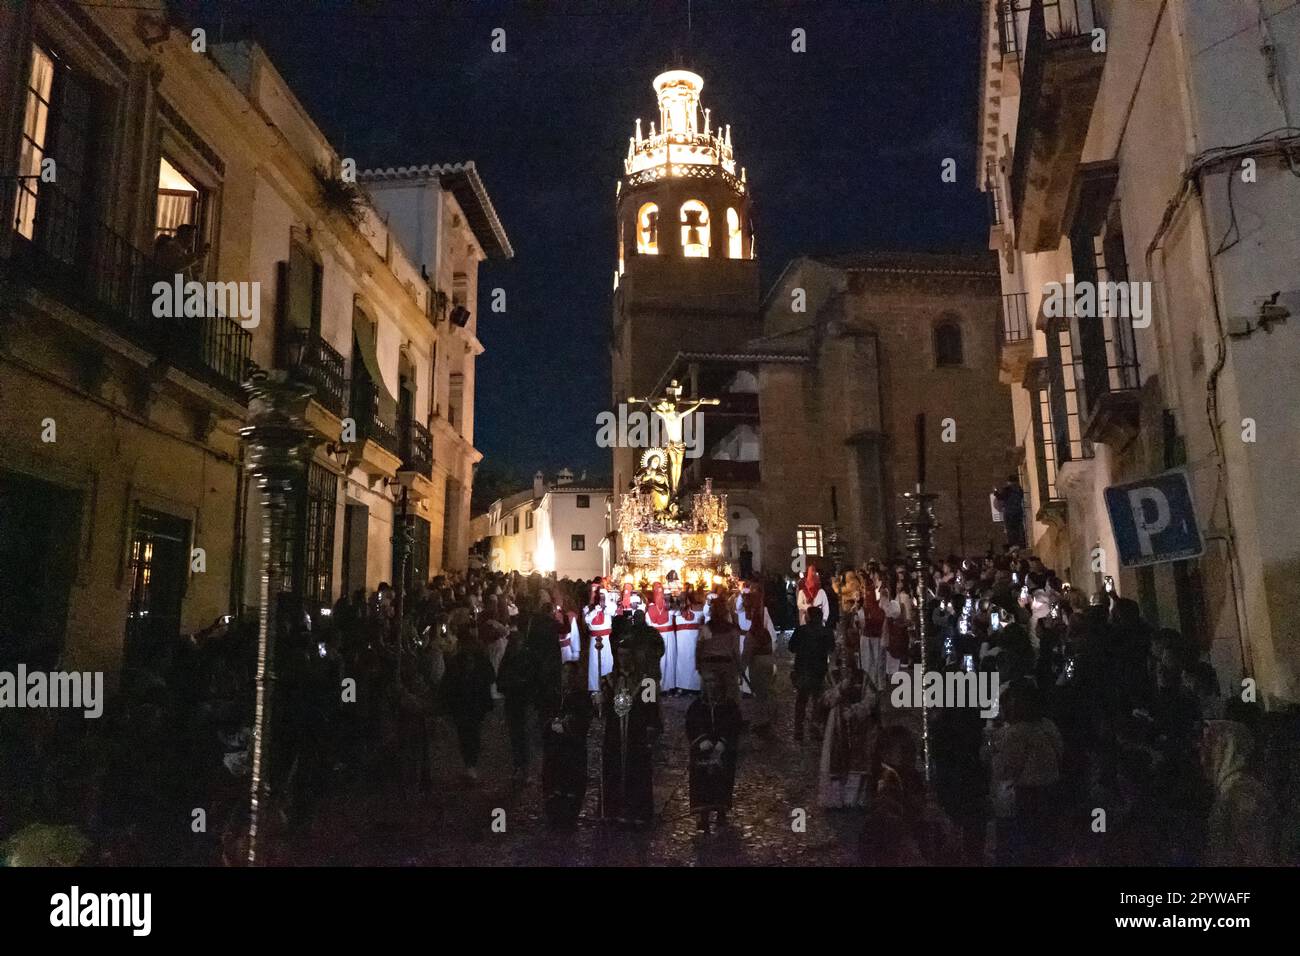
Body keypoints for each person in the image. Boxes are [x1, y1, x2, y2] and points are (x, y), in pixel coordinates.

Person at [989, 681, 1063, 865]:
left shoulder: (1017, 732)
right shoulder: (1048, 725)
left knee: (1023, 848)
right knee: (1045, 846)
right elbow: (1060, 752)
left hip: (1028, 797)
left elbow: (1005, 770)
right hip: (1051, 790)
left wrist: (992, 750)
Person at [1200, 720, 1278, 865]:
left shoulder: (1242, 794)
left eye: (1210, 744)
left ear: (1228, 748)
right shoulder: (1232, 791)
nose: (1203, 756)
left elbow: (1256, 854)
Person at [599, 636, 656, 827]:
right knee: (614, 767)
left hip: (636, 731)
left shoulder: (646, 681)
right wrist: (600, 701)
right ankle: (612, 809)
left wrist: (651, 728)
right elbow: (604, 710)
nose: (623, 659)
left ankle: (637, 810)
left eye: (627, 655)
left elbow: (651, 707)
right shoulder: (609, 679)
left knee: (637, 769)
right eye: (620, 655)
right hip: (616, 731)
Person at [685, 670, 743, 833]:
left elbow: (734, 725)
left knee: (722, 780)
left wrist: (723, 742)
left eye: (713, 681)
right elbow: (692, 725)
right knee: (702, 782)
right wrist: (701, 740)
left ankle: (721, 811)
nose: (710, 686)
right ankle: (703, 815)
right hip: (703, 751)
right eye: (707, 682)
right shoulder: (697, 706)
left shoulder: (729, 706)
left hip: (723, 751)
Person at [439, 619, 496, 783]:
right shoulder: (461, 661)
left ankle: (471, 763)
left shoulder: (473, 660)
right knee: (469, 733)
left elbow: (489, 677)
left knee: (468, 734)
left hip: (470, 704)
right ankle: (470, 763)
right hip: (467, 704)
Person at [542, 661, 595, 828]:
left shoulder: (582, 697)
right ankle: (554, 816)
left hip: (573, 748)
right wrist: (552, 723)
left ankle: (569, 817)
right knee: (554, 780)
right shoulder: (554, 695)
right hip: (555, 748)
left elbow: (584, 719)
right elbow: (545, 714)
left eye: (571, 674)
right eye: (565, 673)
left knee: (572, 782)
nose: (567, 677)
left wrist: (568, 725)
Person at [789, 606, 835, 743]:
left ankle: (799, 730)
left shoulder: (801, 630)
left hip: (803, 669)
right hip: (819, 670)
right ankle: (815, 729)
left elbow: (791, 647)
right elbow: (831, 649)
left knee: (801, 701)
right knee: (817, 701)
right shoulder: (827, 632)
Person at [739, 582, 776, 733]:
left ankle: (763, 721)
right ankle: (766, 718)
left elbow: (747, 652)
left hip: (759, 664)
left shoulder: (753, 635)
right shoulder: (763, 633)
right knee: (765, 693)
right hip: (767, 661)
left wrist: (741, 669)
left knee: (761, 694)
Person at [696, 593, 742, 702]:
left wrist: (698, 664)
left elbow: (699, 648)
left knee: (709, 698)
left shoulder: (706, 629)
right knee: (730, 698)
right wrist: (740, 668)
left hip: (709, 665)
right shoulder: (732, 630)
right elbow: (735, 651)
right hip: (727, 666)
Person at [646, 584, 677, 693]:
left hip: (669, 636)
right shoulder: (650, 609)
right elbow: (648, 624)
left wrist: (670, 603)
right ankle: (657, 687)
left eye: (661, 593)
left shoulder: (669, 607)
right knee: (659, 662)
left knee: (669, 660)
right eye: (657, 593)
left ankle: (669, 686)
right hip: (657, 637)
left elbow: (677, 612)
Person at [585, 583, 614, 692]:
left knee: (607, 662)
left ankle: (608, 687)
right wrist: (596, 610)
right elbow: (587, 620)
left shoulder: (609, 607)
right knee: (594, 664)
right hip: (594, 639)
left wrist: (604, 606)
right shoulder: (589, 608)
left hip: (606, 639)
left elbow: (612, 612)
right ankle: (594, 688)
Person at [673, 589, 703, 693]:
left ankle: (695, 687)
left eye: (684, 599)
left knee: (693, 660)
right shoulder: (676, 612)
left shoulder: (699, 610)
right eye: (681, 599)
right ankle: (681, 685)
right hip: (681, 641)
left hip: (693, 639)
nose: (683, 602)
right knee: (682, 661)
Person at [994, 475, 1026, 549]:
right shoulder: (1019, 489)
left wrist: (995, 492)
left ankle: (1013, 545)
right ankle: (1021, 543)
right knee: (1018, 527)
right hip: (1018, 511)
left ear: (1009, 482)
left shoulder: (1008, 489)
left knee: (1010, 529)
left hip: (1009, 511)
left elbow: (1000, 497)